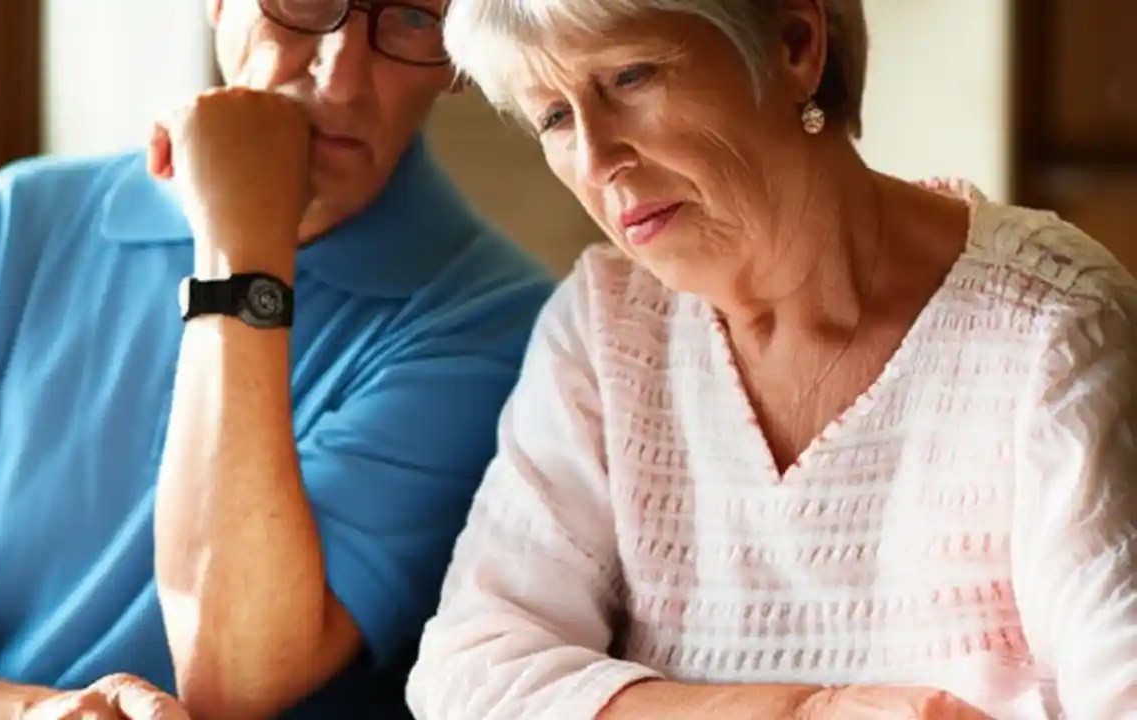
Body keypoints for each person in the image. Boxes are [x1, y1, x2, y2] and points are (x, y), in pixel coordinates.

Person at [407, 0, 1137, 718]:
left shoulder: (1052, 320)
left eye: (630, 77)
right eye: (556, 118)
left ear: (795, 45)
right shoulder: (608, 323)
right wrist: (804, 711)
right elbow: (470, 671)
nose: (597, 160)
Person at [0, 0, 553, 717]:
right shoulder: (12, 227)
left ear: (459, 60)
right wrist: (24, 714)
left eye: (411, 18)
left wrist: (238, 251)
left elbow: (232, 676)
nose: (341, 78)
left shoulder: (496, 322)